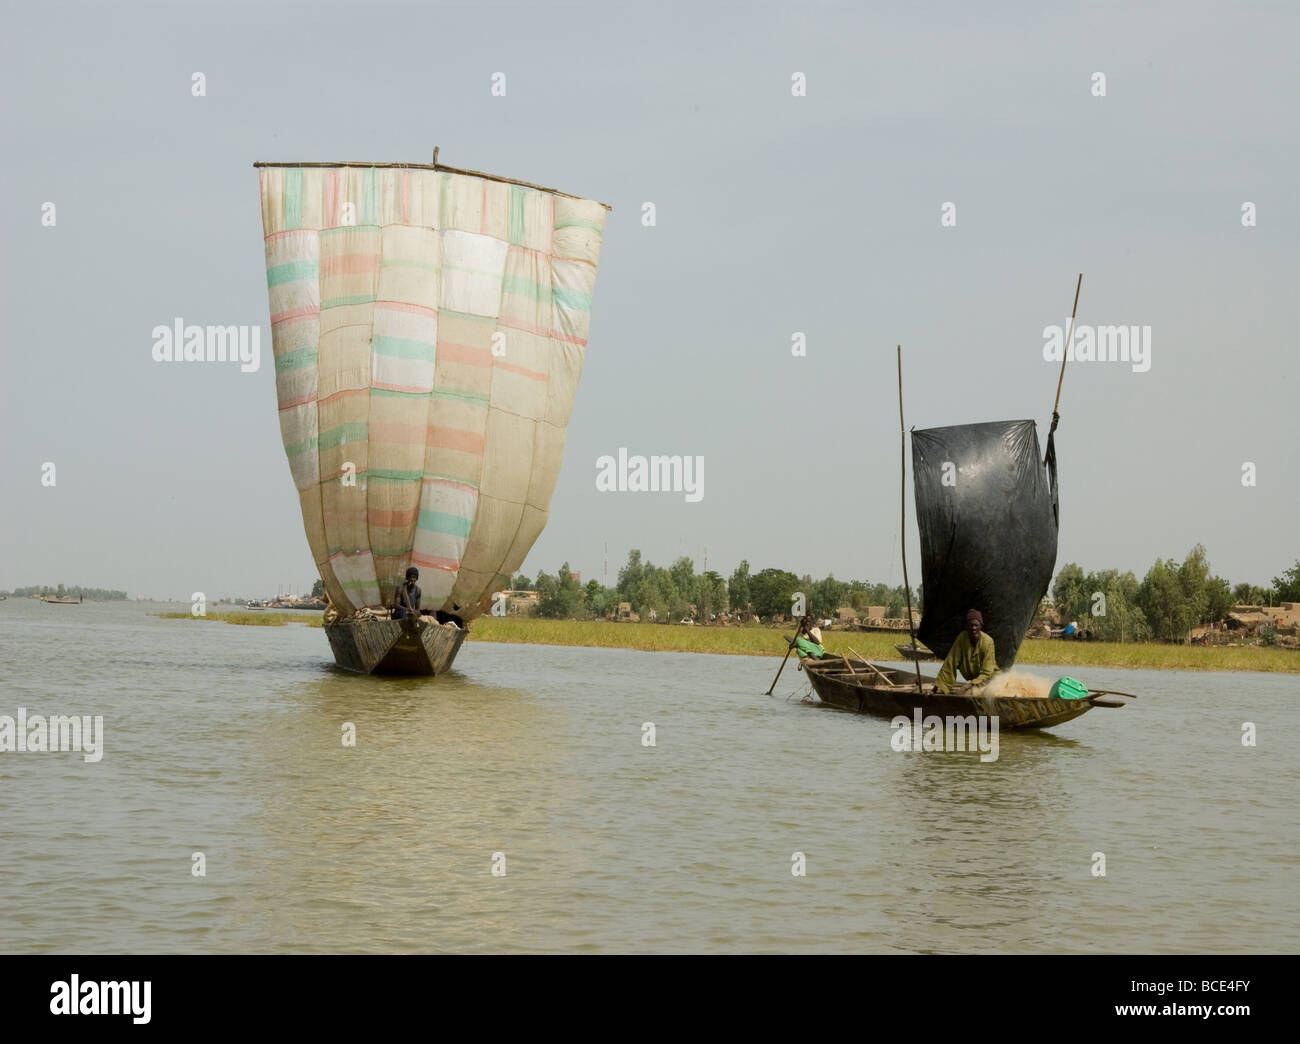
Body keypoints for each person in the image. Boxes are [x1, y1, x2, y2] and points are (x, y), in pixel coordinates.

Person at [934, 609, 998, 694]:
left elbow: (987, 673)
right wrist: (939, 686)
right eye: (970, 625)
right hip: (974, 682)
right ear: (966, 627)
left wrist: (967, 686)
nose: (973, 628)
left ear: (981, 626)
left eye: (976, 625)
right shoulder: (962, 638)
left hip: (990, 680)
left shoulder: (988, 642)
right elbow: (951, 662)